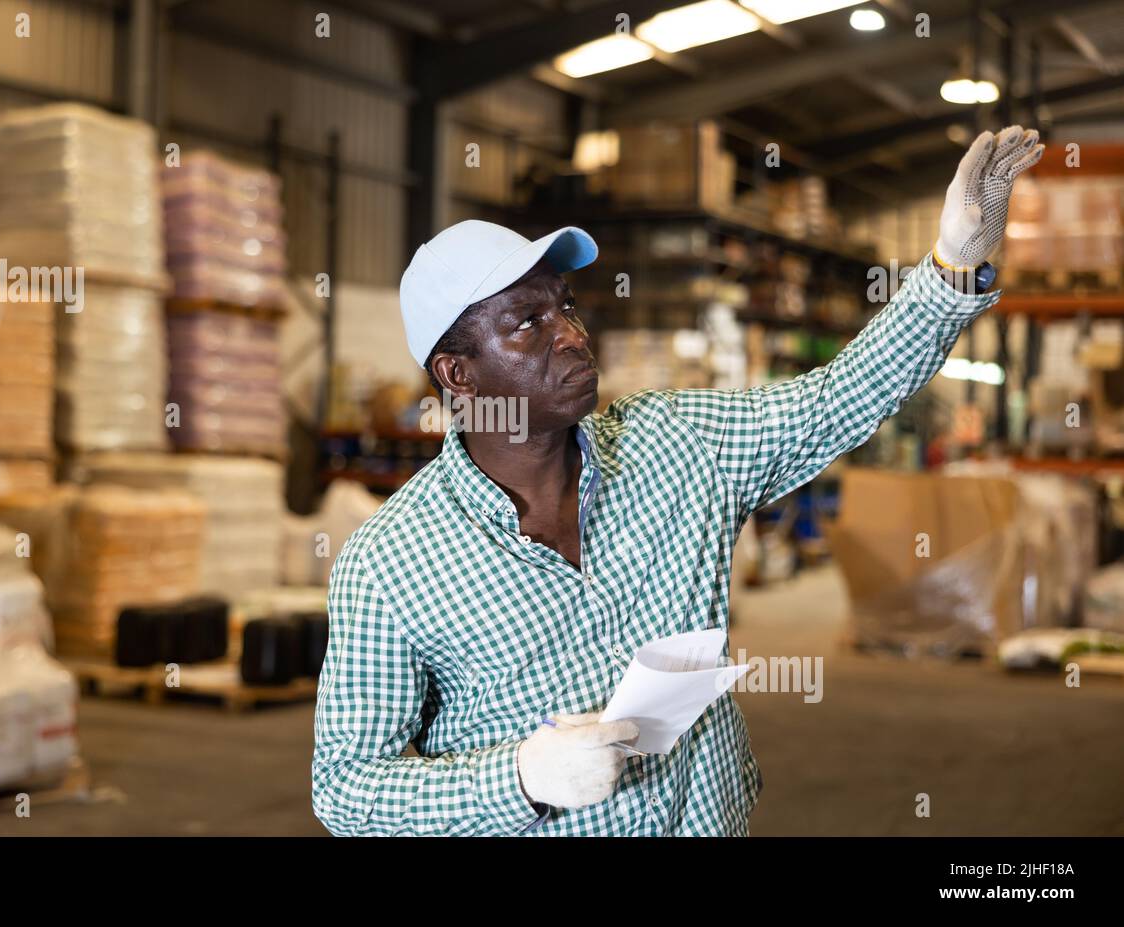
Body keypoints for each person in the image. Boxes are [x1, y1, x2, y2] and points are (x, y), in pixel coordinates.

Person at [311, 127, 1044, 836]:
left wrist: (950, 266)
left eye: (563, 304)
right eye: (526, 322)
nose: (569, 332)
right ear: (458, 374)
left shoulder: (675, 446)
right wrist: (520, 780)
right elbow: (345, 789)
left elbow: (836, 398)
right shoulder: (392, 563)